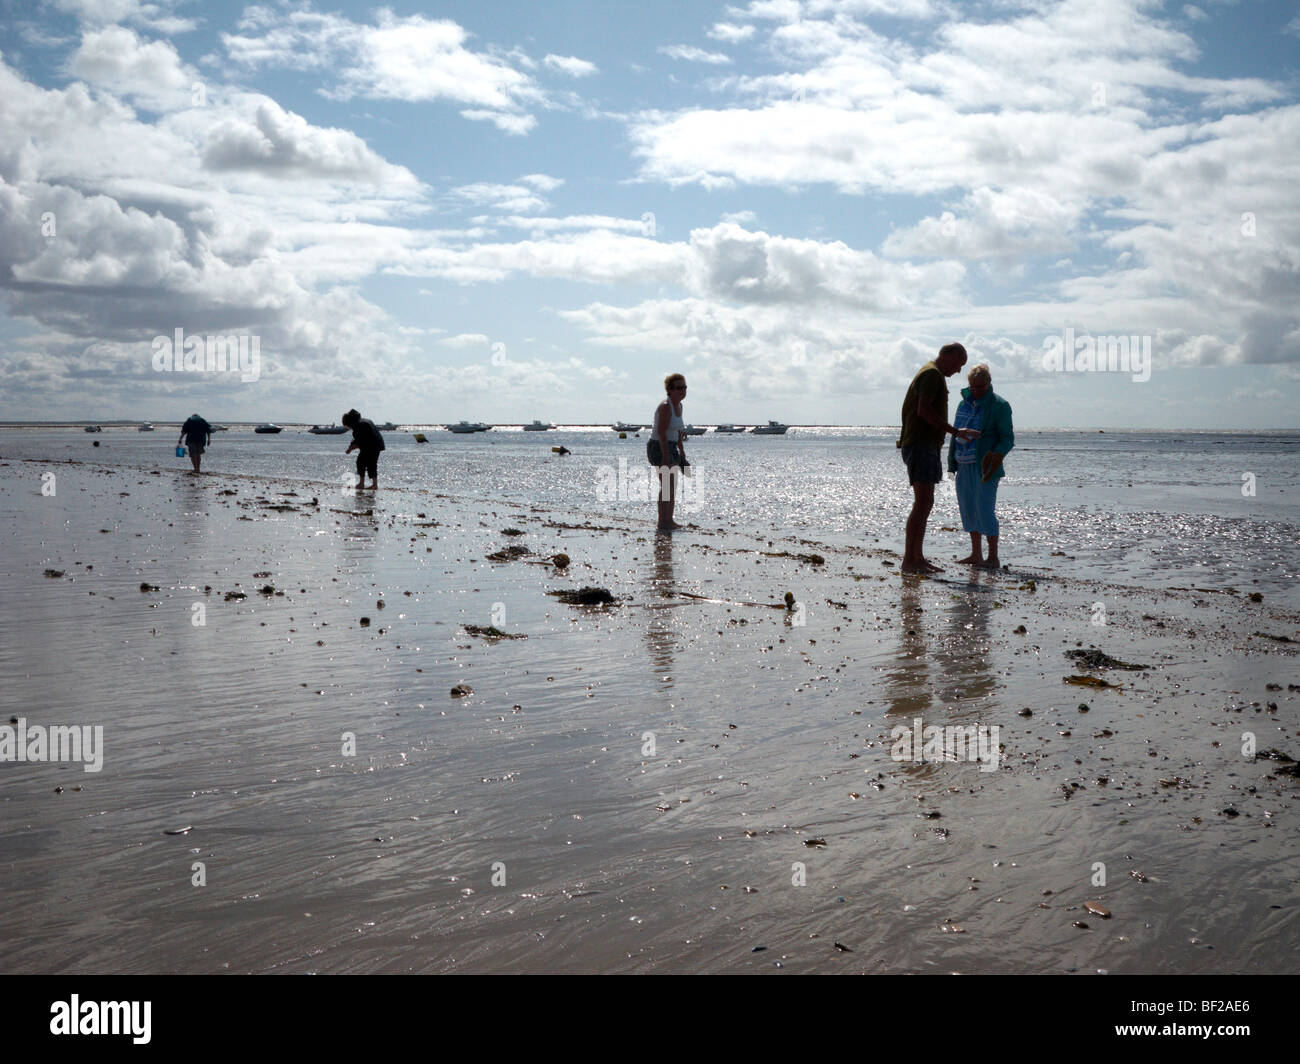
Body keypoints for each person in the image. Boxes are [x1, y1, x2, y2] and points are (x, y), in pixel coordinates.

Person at [898, 343, 979, 573]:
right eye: (958, 364)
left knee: (925, 502)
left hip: (923, 444)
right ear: (948, 355)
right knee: (923, 502)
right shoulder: (932, 374)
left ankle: (916, 557)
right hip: (921, 444)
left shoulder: (931, 373)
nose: (959, 371)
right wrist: (955, 432)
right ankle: (911, 560)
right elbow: (923, 411)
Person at [948, 363, 1014, 568]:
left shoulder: (999, 405)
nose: (977, 391)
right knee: (968, 509)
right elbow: (956, 432)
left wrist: (996, 455)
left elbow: (1007, 438)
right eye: (974, 386)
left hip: (986, 467)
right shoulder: (963, 404)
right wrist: (951, 461)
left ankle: (992, 557)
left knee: (985, 510)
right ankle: (976, 554)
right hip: (963, 464)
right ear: (969, 385)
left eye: (981, 386)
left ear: (989, 383)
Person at [650, 373, 690, 532]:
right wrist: (666, 455)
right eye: (679, 387)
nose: (683, 390)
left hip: (672, 446)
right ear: (670, 390)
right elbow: (661, 432)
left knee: (672, 485)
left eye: (685, 387)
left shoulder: (679, 406)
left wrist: (682, 451)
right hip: (658, 446)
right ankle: (662, 522)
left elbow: (678, 432)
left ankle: (669, 520)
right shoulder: (666, 406)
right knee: (666, 484)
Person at [342, 409, 385, 490]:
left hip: (372, 446)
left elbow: (360, 441)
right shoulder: (364, 421)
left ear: (350, 422)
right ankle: (373, 484)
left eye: (347, 426)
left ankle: (363, 483)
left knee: (361, 462)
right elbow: (358, 440)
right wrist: (351, 447)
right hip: (377, 444)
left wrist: (351, 448)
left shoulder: (359, 426)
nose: (348, 427)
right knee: (371, 464)